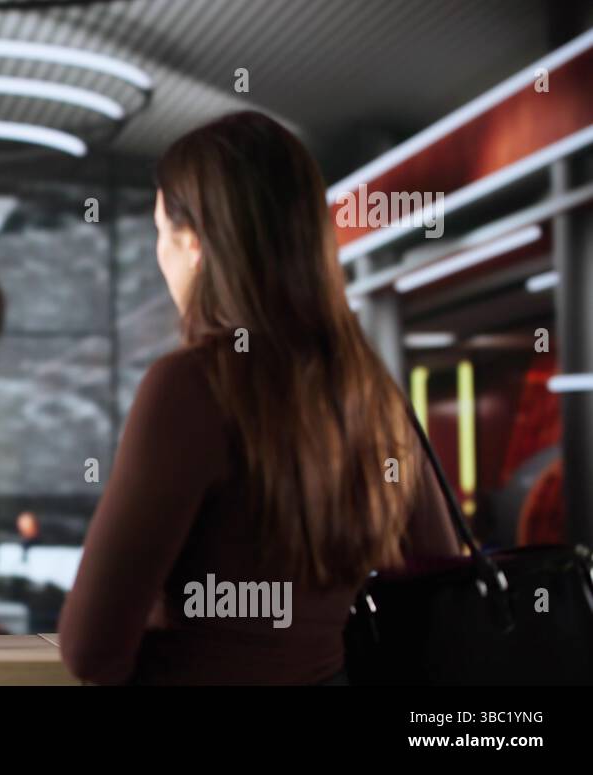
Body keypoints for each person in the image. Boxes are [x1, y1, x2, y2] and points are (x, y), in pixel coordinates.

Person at [58, 111, 460, 684]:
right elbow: (440, 580)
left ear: (193, 244)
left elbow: (90, 650)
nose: (160, 255)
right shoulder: (373, 390)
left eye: (159, 233)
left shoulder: (191, 387)